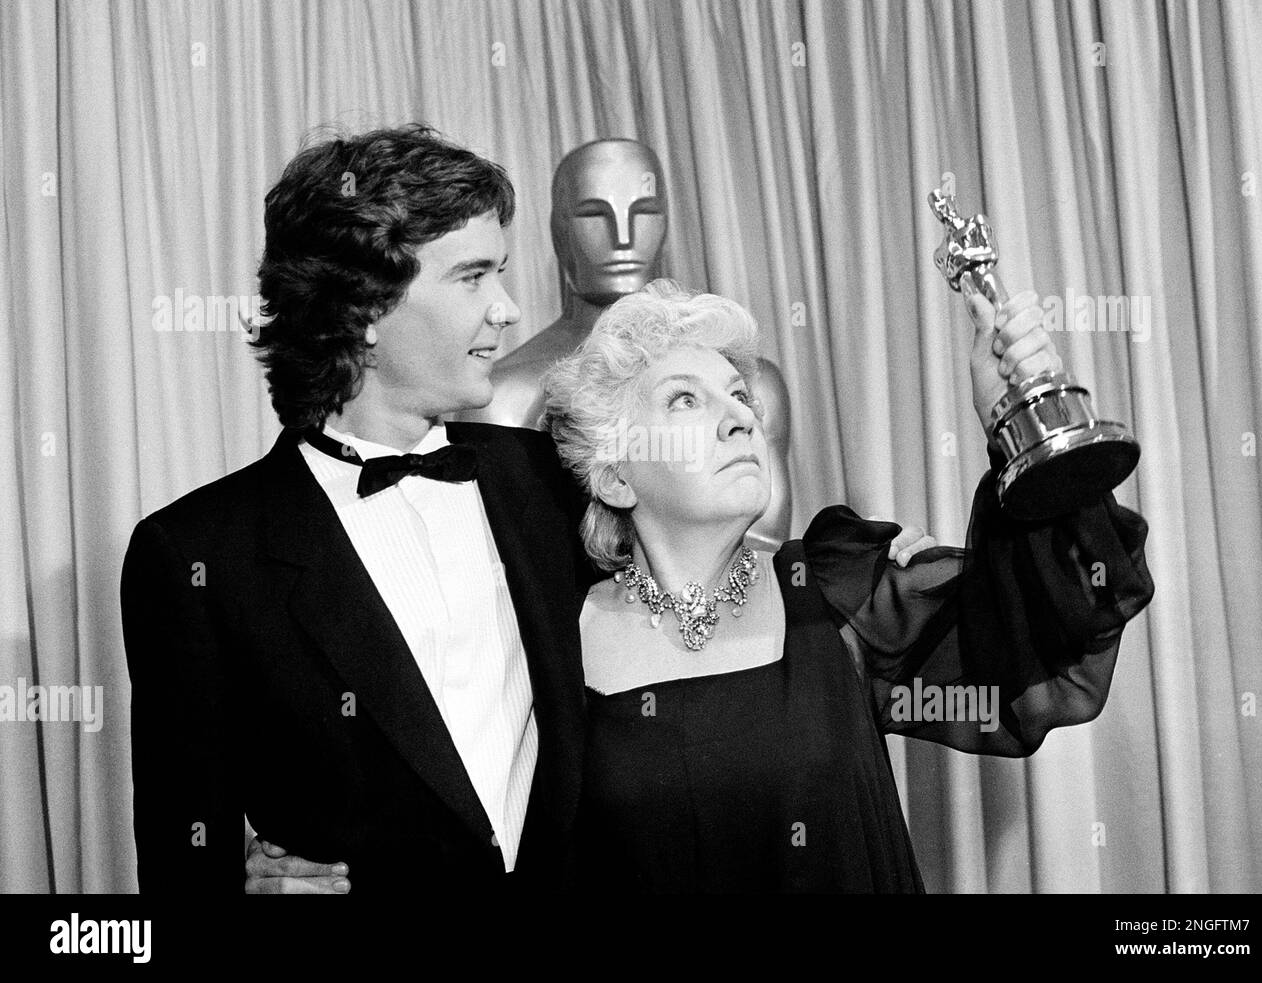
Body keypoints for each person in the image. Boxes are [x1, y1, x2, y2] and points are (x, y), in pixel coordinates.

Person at [532, 278, 1154, 892]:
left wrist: (1019, 417)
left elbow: (1043, 662)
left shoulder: (839, 599)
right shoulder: (551, 642)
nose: (741, 420)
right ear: (615, 477)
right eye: (684, 400)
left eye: (740, 395)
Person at [121, 125, 594, 894]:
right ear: (364, 310)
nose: (508, 310)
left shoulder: (552, 477)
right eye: (473, 277)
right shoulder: (198, 554)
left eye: (500, 273)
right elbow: (182, 858)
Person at [456, 138, 795, 549]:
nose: (622, 237)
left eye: (645, 211)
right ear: (559, 229)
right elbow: (508, 560)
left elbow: (763, 542)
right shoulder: (504, 395)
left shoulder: (753, 381)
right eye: (594, 215)